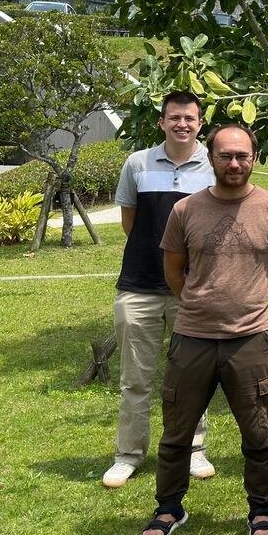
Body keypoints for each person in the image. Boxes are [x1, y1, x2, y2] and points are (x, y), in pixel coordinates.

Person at [139, 126, 268, 535]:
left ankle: (261, 510)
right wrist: (199, 302)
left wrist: (252, 302)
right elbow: (174, 272)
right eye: (225, 155)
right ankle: (169, 507)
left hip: (250, 340)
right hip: (192, 337)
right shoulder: (186, 210)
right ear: (210, 157)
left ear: (254, 157)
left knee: (259, 432)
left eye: (242, 156)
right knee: (177, 432)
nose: (234, 164)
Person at [104, 90, 216, 489]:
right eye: (174, 118)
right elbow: (131, 223)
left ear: (200, 123)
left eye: (190, 118)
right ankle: (128, 455)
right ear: (162, 122)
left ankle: (194, 450)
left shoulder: (214, 165)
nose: (182, 124)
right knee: (136, 379)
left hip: (193, 288)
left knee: (191, 377)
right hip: (140, 286)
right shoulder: (137, 163)